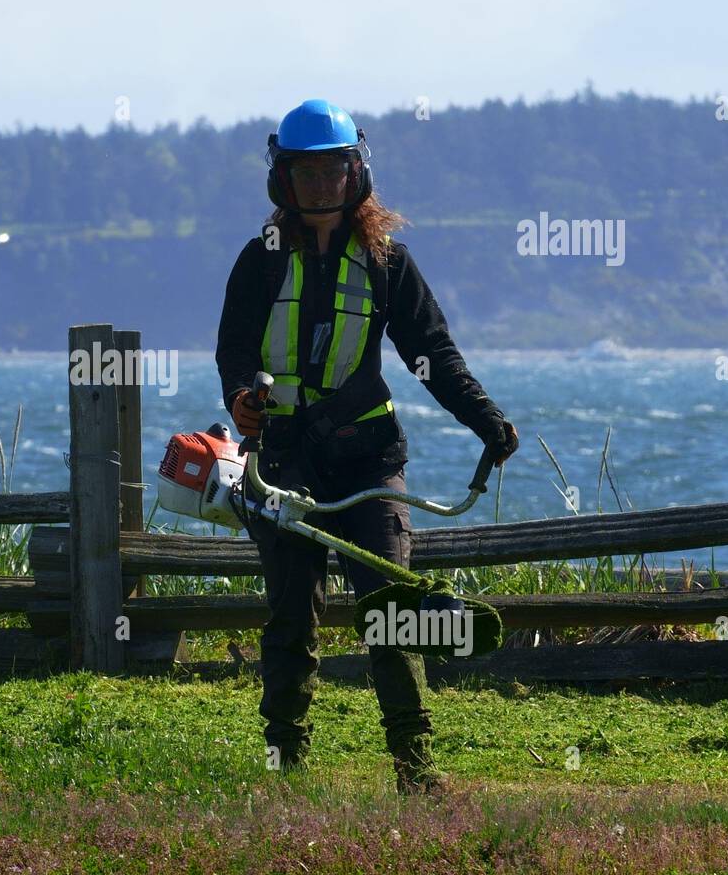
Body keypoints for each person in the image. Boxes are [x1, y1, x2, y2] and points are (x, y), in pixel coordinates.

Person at [215, 98, 519, 795]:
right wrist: (240, 399)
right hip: (283, 465)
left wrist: (487, 421)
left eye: (335, 169)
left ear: (357, 173)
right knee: (292, 617)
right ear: (282, 178)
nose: (321, 185)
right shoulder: (257, 263)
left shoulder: (388, 262)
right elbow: (233, 352)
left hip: (371, 461)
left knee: (392, 611)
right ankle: (283, 765)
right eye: (307, 172)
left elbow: (432, 355)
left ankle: (416, 769)